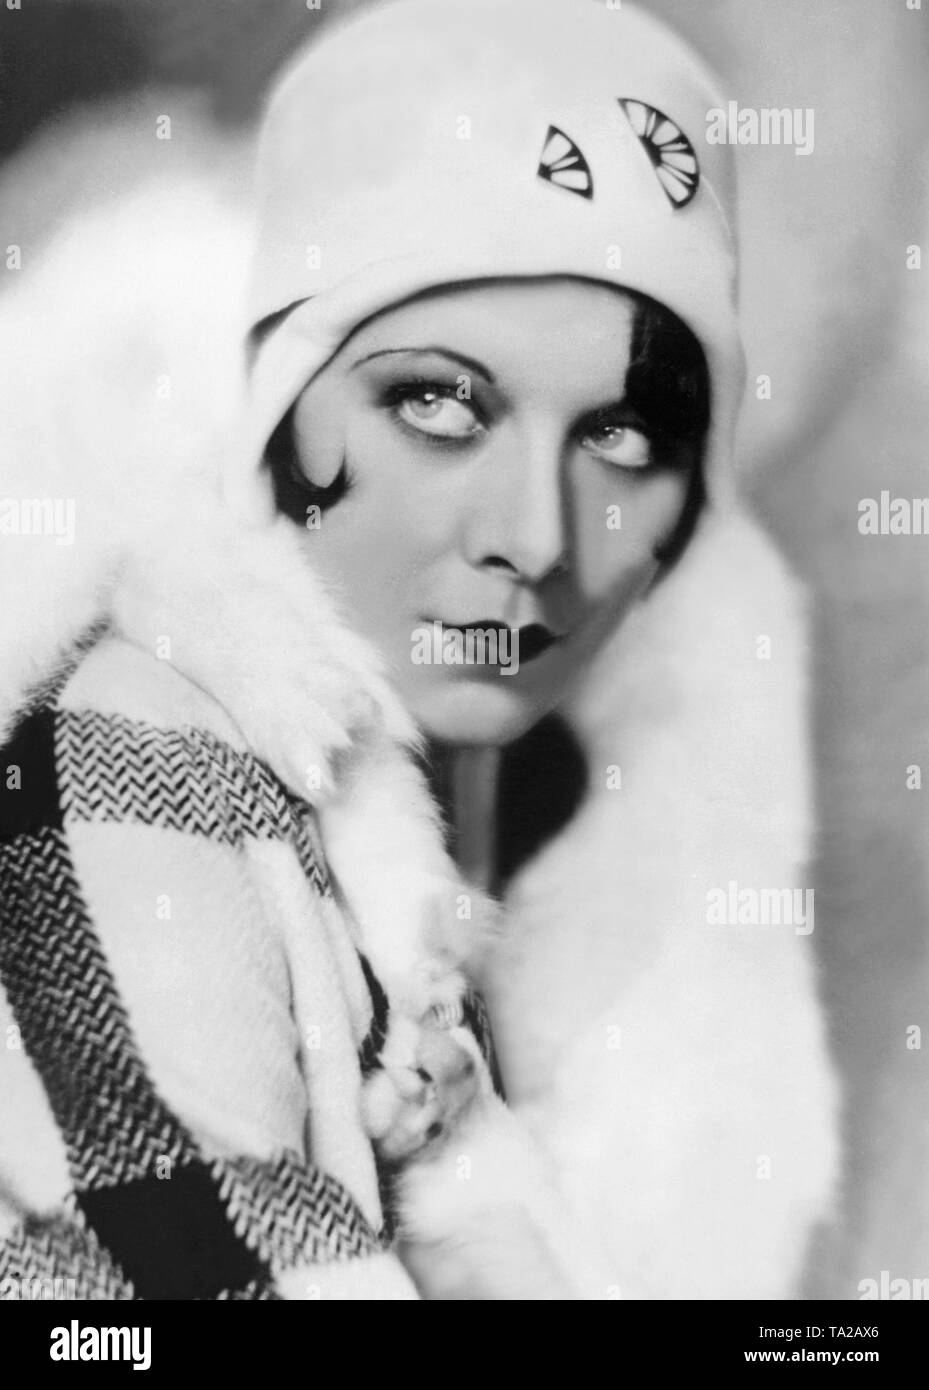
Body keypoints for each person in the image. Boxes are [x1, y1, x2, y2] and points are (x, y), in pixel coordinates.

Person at [0, 0, 838, 1299]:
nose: (532, 535)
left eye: (621, 440)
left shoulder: (595, 832)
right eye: (440, 404)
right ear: (280, 406)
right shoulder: (138, 750)